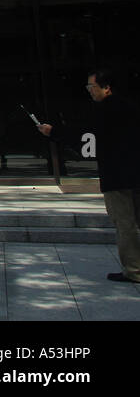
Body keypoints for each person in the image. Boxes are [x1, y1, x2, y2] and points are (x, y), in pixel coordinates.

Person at [39, 67, 140, 284]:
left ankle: (134, 270)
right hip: (134, 173)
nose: (89, 91)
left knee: (125, 223)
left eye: (91, 86)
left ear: (106, 87)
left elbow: (85, 135)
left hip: (117, 175)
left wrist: (54, 132)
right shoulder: (131, 107)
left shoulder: (105, 111)